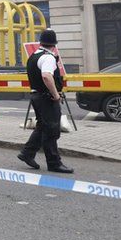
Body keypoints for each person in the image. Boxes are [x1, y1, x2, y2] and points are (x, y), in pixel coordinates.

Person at [18, 29, 73, 174]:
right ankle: (54, 163)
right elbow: (47, 76)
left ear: (41, 42)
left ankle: (27, 153)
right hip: (46, 98)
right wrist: (56, 95)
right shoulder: (48, 57)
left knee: (42, 126)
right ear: (54, 44)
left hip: (36, 96)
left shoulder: (34, 56)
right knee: (52, 130)